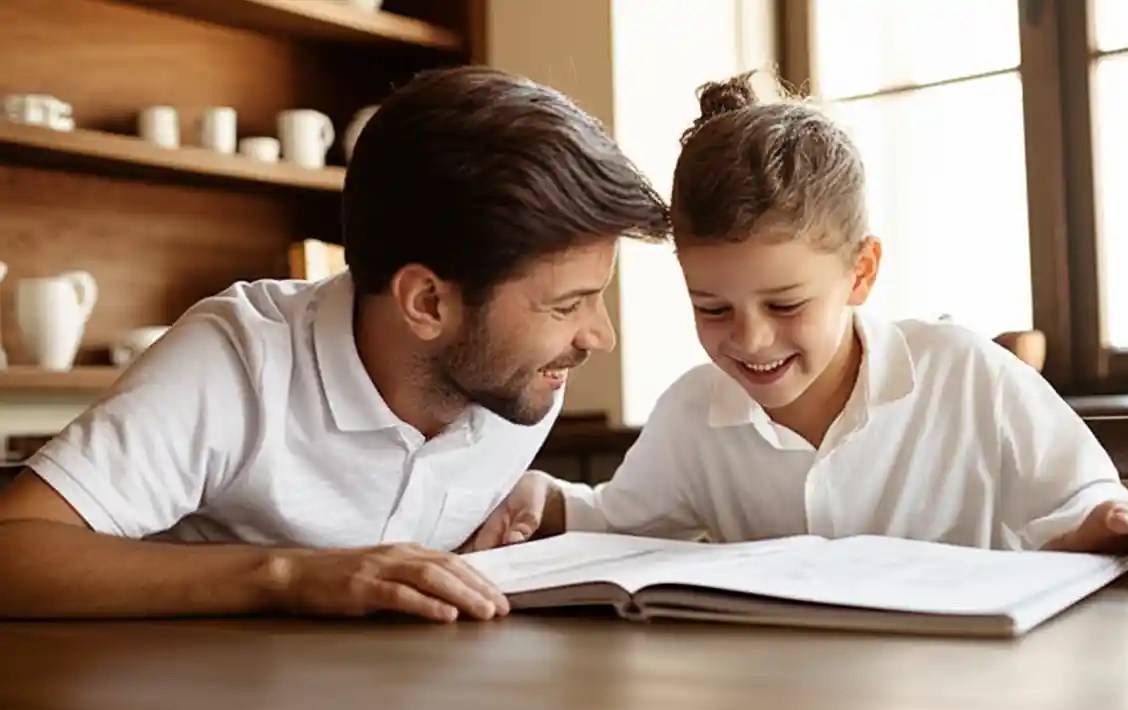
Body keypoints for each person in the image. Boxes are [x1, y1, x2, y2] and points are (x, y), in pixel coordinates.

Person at [470, 71, 1128, 583]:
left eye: (786, 305)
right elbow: (620, 517)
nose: (750, 341)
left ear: (861, 272)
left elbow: (1077, 506)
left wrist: (1116, 521)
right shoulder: (693, 414)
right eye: (712, 308)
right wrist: (546, 498)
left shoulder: (964, 374)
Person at [0, 66, 670, 621]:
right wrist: (289, 575)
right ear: (428, 303)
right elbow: (14, 552)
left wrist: (505, 503)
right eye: (567, 305)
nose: (598, 336)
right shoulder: (236, 363)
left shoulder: (518, 378)